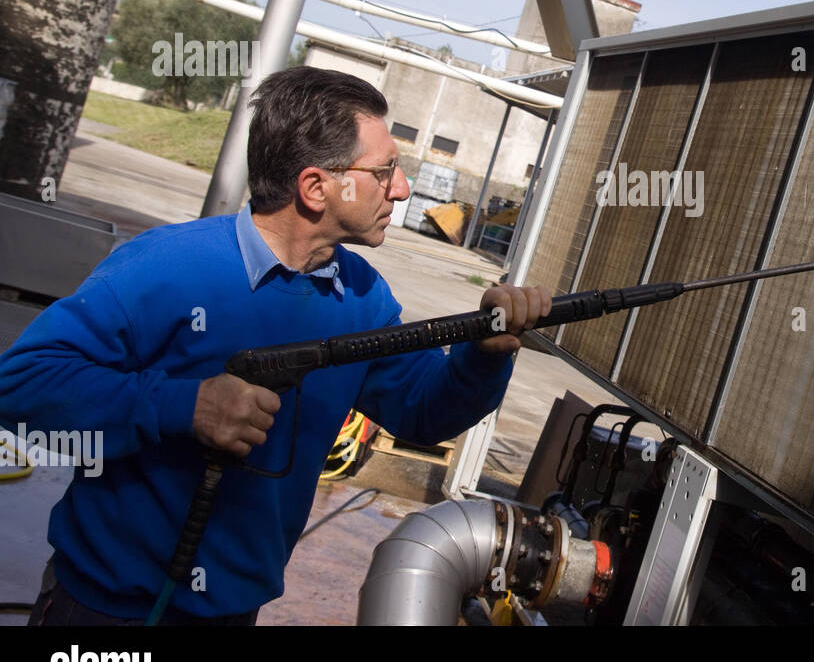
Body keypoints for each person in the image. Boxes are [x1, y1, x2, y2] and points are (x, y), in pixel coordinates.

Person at [0, 66, 551, 625]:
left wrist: (484, 353)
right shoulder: (168, 267)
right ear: (316, 188)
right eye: (385, 171)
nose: (403, 188)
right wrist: (183, 406)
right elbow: (20, 384)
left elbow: (423, 412)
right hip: (102, 609)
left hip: (233, 612)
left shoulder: (361, 294)